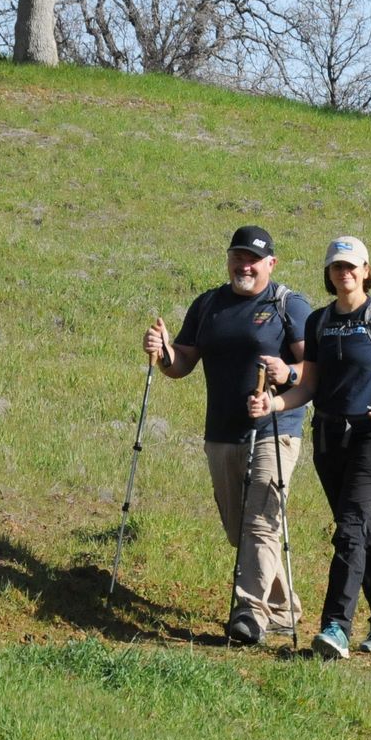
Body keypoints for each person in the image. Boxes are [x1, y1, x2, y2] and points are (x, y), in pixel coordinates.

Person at [143, 225, 311, 644]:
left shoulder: (287, 305)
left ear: (271, 263)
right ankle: (283, 608)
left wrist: (287, 374)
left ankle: (248, 615)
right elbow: (182, 363)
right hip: (221, 432)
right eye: (238, 257)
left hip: (275, 428)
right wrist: (163, 350)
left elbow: (314, 369)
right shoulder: (209, 305)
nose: (244, 266)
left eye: (253, 260)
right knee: (239, 529)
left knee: (260, 523)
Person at [248, 236, 371, 659]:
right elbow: (309, 386)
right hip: (328, 435)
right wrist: (273, 404)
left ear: (366, 270)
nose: (344, 273)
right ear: (329, 273)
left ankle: (336, 626)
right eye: (337, 266)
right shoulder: (319, 321)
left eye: (351, 266)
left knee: (350, 525)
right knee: (359, 524)